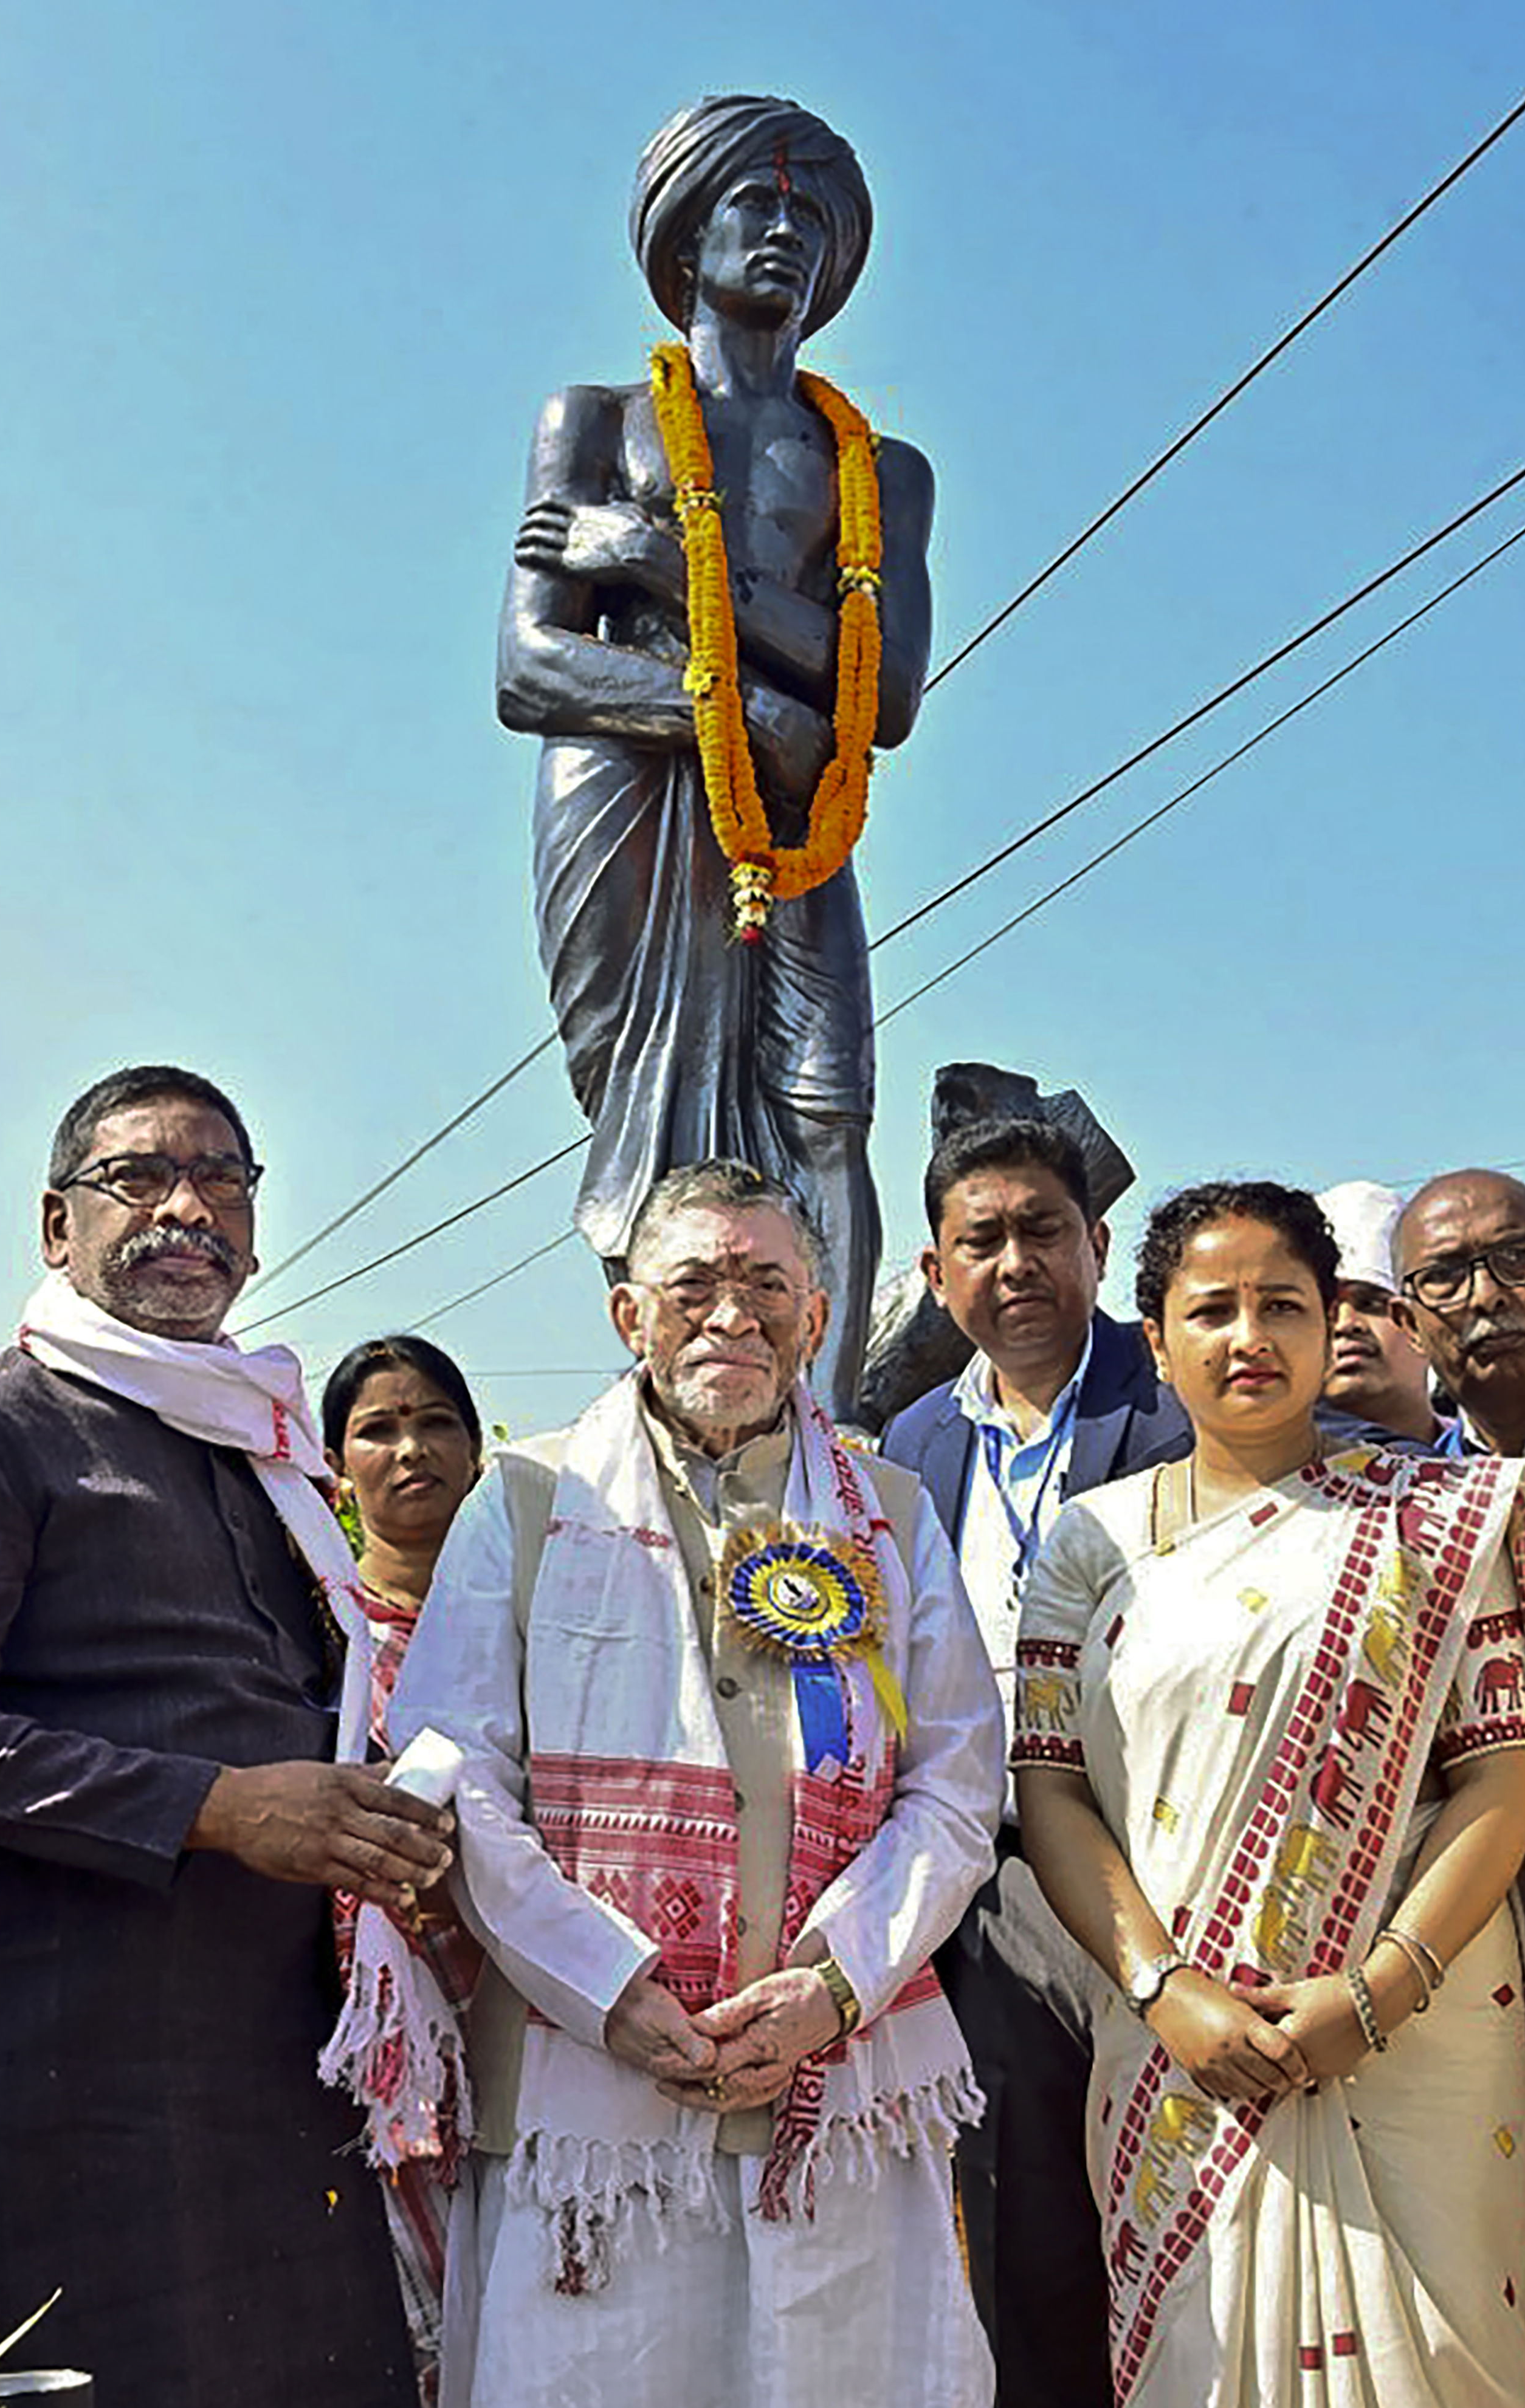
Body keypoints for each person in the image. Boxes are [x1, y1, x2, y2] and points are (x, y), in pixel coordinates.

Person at [366, 1158, 1011, 2408]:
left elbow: (957, 1780)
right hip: (589, 2090)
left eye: (767, 1281)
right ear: (626, 1312)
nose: (734, 1309)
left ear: (819, 1311)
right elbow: (459, 1766)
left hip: (832, 2079)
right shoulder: (523, 1499)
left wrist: (835, 1980)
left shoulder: (891, 1510)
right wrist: (613, 1991)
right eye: (695, 1283)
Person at [0, 1066, 455, 2408]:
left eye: (219, 1176)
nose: (184, 1205)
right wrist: (214, 1805)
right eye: (136, 1175)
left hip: (253, 2066)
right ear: (58, 1222)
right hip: (57, 2087)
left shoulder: (268, 1455)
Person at [1015, 1179, 1525, 2408]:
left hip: (1417, 2043)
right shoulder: (1086, 1547)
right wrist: (1161, 1986)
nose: (1252, 1334)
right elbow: (1050, 1790)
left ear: (1337, 1318)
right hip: (1181, 2060)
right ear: (1157, 1340)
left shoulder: (1441, 1518)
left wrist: (1382, 1985)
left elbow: (1504, 1772)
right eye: (1213, 1309)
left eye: (1285, 1303)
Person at [497, 94, 935, 1417]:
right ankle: (685, 1394)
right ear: (686, 240)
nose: (790, 233)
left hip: (802, 806)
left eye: (818, 216)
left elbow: (890, 689)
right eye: (762, 203)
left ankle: (832, 1416)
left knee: (828, 1103)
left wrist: (657, 563)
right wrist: (734, 709)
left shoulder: (880, 471)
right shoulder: (595, 420)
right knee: (630, 1093)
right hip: (620, 787)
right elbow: (529, 667)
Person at [881, 1114, 1189, 2408]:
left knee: (1197, 2253)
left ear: (1096, 1247)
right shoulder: (909, 1450)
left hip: (1170, 1878)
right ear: (938, 1271)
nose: (1018, 1262)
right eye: (983, 1238)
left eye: (1045, 1229)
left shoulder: (1183, 1394)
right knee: (1032, 2271)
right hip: (985, 1902)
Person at [235, 1336, 488, 2408]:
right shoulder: (302, 1625)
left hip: (496, 2046)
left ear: (478, 1449)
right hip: (322, 2050)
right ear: (337, 1468)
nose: (410, 1451)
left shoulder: (528, 1624)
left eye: (436, 1422)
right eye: (378, 1428)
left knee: (480, 2370)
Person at [1395, 1168, 1525, 1456]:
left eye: (1517, 1257)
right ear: (1411, 1326)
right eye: (1444, 1276)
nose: (1486, 1295)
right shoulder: (1418, 1493)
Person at [1316, 1178, 1444, 1446]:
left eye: (1371, 1304)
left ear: (1417, 1322)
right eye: (1326, 1310)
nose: (1346, 1324)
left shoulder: (1498, 1462)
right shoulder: (1260, 1478)